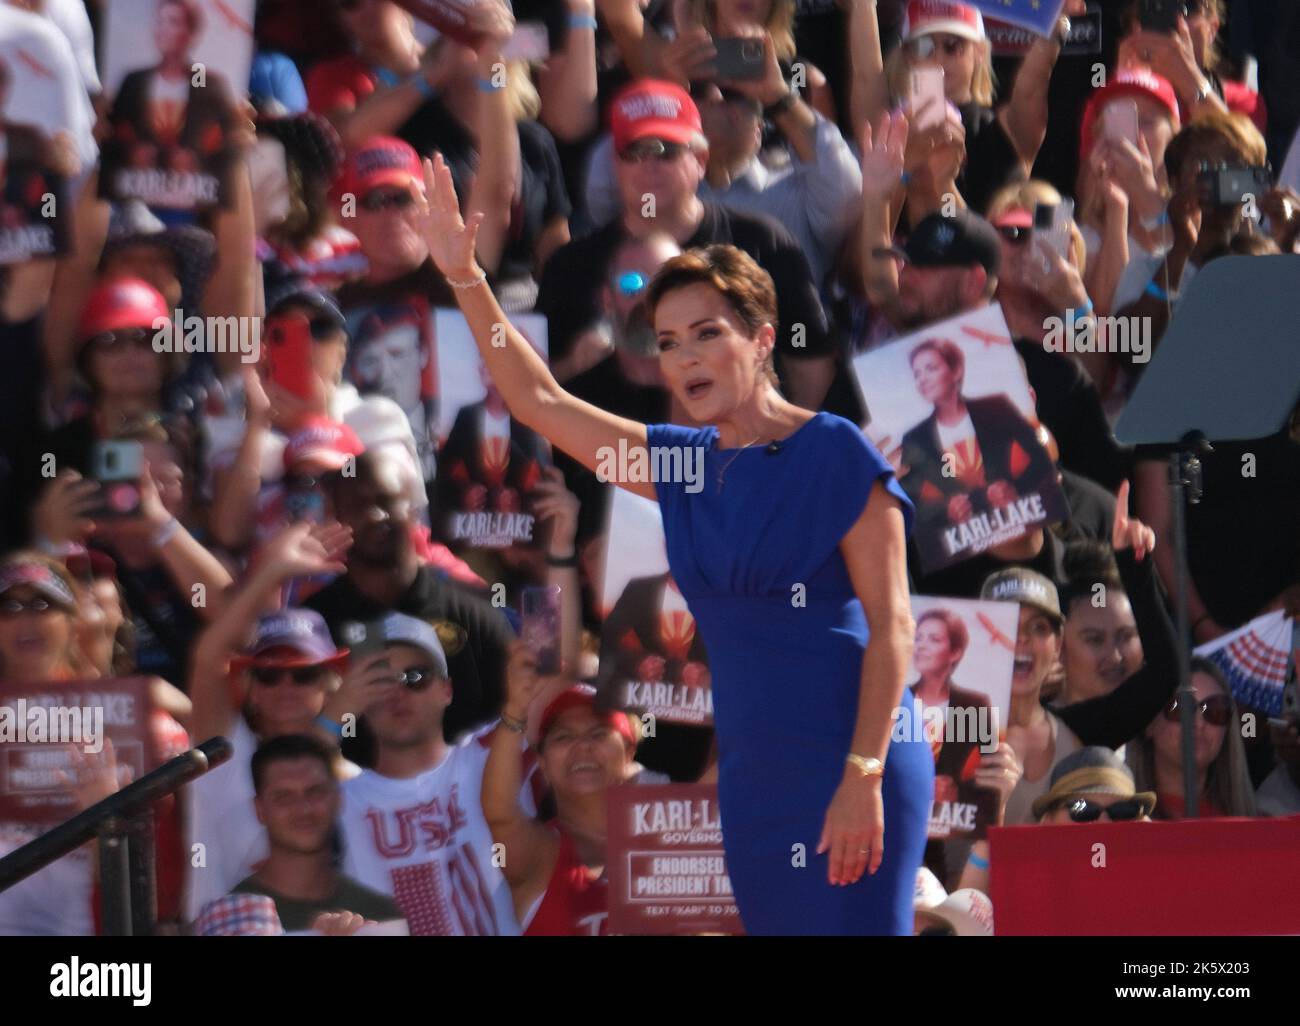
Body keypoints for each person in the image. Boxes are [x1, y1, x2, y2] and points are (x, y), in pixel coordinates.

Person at [418, 151, 933, 935]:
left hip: (856, 753)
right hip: (758, 778)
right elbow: (539, 399)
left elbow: (894, 626)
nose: (686, 356)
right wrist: (464, 276)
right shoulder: (680, 466)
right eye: (667, 341)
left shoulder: (834, 451)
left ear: (764, 340)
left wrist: (862, 773)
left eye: (706, 334)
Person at [535, 78, 839, 412]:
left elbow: (810, 366)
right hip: (607, 460)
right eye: (633, 151)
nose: (648, 166)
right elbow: (531, 388)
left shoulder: (761, 244)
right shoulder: (572, 266)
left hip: (737, 457)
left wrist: (781, 455)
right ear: (615, 164)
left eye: (665, 151)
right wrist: (575, 364)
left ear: (700, 159)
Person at [307, 449, 516, 741]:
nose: (375, 515)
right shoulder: (314, 624)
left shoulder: (477, 614)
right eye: (358, 504)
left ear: (414, 511)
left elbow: (516, 720)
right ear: (336, 516)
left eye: (387, 501)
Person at [334, 612, 522, 935]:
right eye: (379, 681)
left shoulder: (493, 756)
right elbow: (287, 771)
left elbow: (554, 684)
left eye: (416, 676)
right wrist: (335, 711)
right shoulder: (337, 802)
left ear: (446, 690)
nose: (397, 692)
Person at [484, 662, 638, 935]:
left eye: (599, 733)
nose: (583, 746)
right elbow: (499, 813)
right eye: (564, 737)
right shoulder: (538, 856)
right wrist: (515, 711)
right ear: (542, 764)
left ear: (628, 754)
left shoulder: (667, 843)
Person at [210, 734, 405, 933]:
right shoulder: (232, 917)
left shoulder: (383, 913)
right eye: (284, 797)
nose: (303, 809)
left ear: (337, 798)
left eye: (315, 791)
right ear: (260, 810)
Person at [897, 336, 1060, 542]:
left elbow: (1040, 462)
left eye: (931, 368)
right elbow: (919, 503)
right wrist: (947, 510)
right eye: (917, 374)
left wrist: (1015, 492)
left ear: (956, 371)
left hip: (1029, 531)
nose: (922, 379)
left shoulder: (997, 409)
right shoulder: (914, 439)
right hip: (961, 550)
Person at [1127, 657, 1257, 819]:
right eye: (1181, 708)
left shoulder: (1253, 825)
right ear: (1150, 724)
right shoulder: (1114, 815)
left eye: (1215, 710)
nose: (1198, 722)